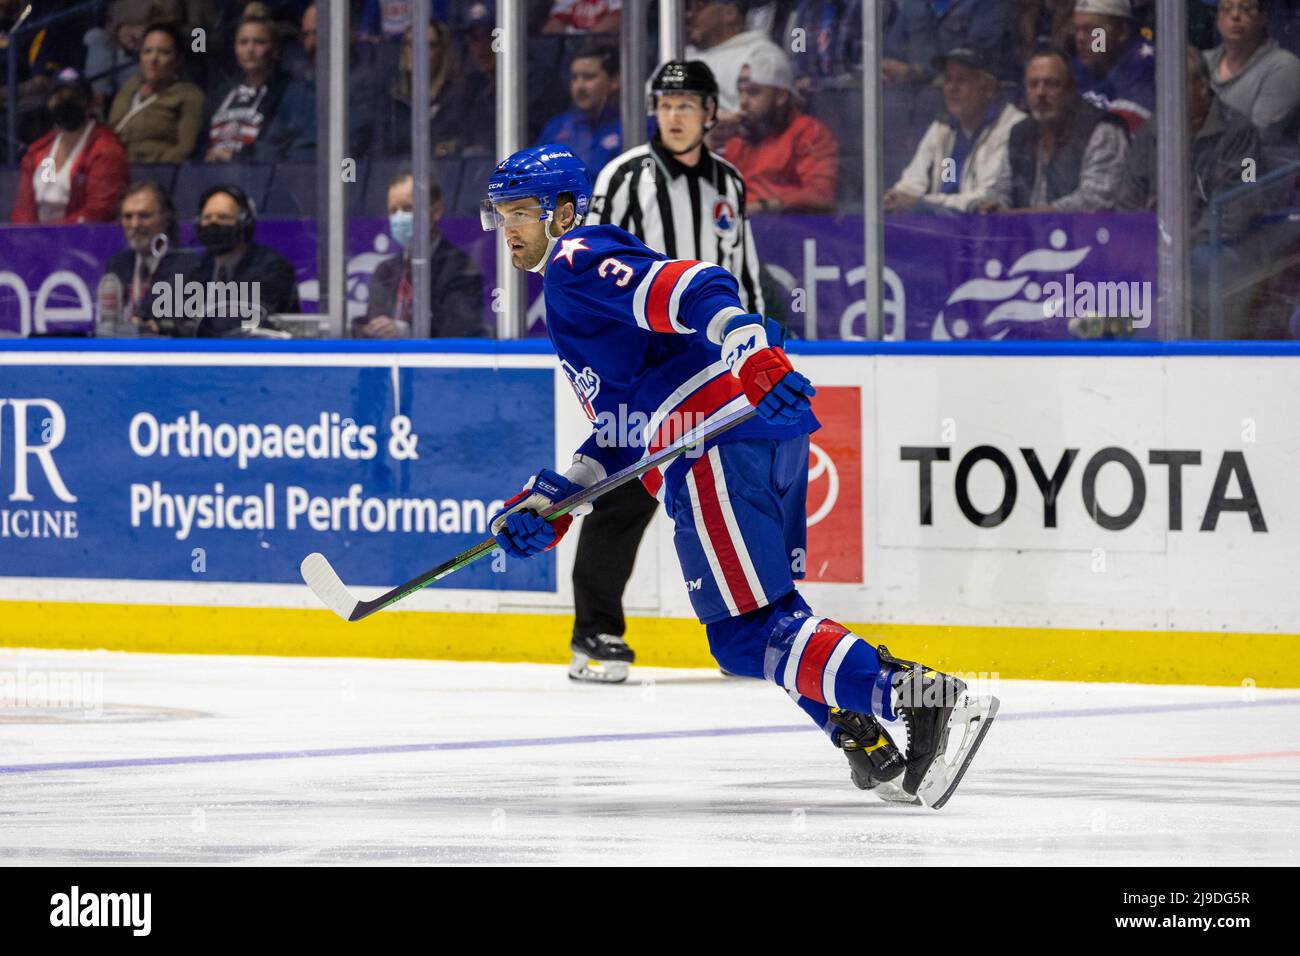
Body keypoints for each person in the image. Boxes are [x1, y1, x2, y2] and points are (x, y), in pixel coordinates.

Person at [480, 144, 997, 805]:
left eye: (520, 212)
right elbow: (621, 431)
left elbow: (696, 284)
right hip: (747, 433)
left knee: (740, 634)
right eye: (500, 215)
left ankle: (923, 697)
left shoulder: (574, 261)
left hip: (714, 439)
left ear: (562, 212)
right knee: (776, 617)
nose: (508, 229)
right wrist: (548, 502)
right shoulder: (569, 298)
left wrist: (748, 350)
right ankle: (860, 735)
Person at [567, 60, 765, 683]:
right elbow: (594, 271)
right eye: (664, 103)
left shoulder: (729, 181)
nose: (673, 115)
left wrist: (758, 344)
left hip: (721, 366)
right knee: (622, 494)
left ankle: (752, 626)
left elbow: (744, 269)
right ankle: (594, 633)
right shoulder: (623, 177)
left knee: (735, 494)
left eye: (687, 104)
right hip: (646, 371)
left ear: (711, 113)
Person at [1116, 47, 1268, 337]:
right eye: (1163, 86)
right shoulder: (1151, 133)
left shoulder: (1240, 133)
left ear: (1201, 86)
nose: (1168, 95)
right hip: (1158, 250)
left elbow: (1240, 203)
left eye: (1177, 85)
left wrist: (1180, 248)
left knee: (1191, 269)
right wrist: (1146, 245)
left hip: (1223, 250)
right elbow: (1128, 200)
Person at [984, 48, 1128, 212]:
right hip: (1026, 234)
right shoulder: (1020, 132)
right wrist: (993, 204)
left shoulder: (1101, 130)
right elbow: (1002, 188)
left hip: (1085, 235)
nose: (1040, 93)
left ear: (1070, 89)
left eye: (1051, 84)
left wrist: (1029, 216)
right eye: (1033, 84)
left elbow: (1096, 200)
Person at [884, 47, 1025, 214]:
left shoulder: (1014, 127)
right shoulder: (944, 127)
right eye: (948, 80)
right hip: (941, 221)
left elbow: (986, 198)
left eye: (961, 81)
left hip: (980, 228)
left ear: (989, 88)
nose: (951, 88)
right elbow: (915, 182)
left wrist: (921, 202)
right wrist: (895, 196)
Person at [356, 170, 487, 339]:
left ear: (436, 211)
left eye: (407, 208)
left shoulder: (461, 268)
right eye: (393, 211)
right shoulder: (385, 271)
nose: (399, 217)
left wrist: (404, 331)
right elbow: (372, 323)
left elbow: (458, 330)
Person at [722, 48, 839, 214]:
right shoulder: (736, 138)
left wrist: (763, 207)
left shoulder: (810, 133)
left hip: (787, 232)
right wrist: (710, 141)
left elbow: (820, 196)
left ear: (780, 96)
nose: (743, 103)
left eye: (753, 93)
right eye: (741, 93)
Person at [10, 68, 129, 225]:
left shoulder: (106, 150)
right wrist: (28, 237)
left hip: (85, 242)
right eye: (58, 96)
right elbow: (25, 209)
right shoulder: (41, 151)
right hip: (37, 242)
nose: (65, 102)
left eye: (74, 97)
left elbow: (99, 211)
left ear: (89, 102)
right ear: (49, 102)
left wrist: (48, 235)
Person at [204, 3, 313, 163]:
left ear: (275, 49)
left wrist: (236, 158)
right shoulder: (221, 93)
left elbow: (276, 147)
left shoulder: (288, 91)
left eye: (259, 42)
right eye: (243, 42)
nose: (250, 49)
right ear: (235, 48)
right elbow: (201, 142)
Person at [188, 184, 300, 334]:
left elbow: (243, 322)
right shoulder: (198, 267)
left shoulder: (272, 267)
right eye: (207, 217)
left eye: (223, 217)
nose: (213, 223)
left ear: (244, 223)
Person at [101, 180, 200, 334]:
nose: (134, 224)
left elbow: (186, 326)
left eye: (144, 216)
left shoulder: (187, 268)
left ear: (165, 219)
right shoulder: (117, 264)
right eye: (128, 217)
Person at [685, 0, 789, 135]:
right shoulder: (679, 53)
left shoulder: (761, 56)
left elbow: (756, 120)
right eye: (688, 9)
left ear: (730, 13)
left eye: (698, 7)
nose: (689, 15)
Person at [107, 21, 205, 163]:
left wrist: (155, 169)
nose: (153, 59)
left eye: (164, 52)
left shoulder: (189, 95)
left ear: (178, 60)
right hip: (114, 166)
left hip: (155, 172)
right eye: (147, 51)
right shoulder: (130, 86)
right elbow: (112, 128)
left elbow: (185, 148)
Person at [1203, 0, 1300, 141]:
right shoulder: (1203, 61)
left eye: (1246, 9)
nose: (1235, 15)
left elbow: (1257, 138)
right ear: (1217, 18)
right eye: (1227, 8)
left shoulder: (1284, 67)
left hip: (1252, 162)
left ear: (1263, 18)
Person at [1069, 0, 1155, 133]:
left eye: (1091, 30)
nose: (1080, 38)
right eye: (1077, 29)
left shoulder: (1146, 66)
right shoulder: (1080, 65)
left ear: (1122, 32)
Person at [536, 45, 622, 177]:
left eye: (589, 77)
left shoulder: (630, 127)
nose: (579, 86)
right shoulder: (557, 127)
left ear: (614, 81)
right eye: (574, 78)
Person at [544, 0, 622, 33]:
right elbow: (556, 21)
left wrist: (588, 42)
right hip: (573, 48)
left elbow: (617, 17)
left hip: (604, 48)